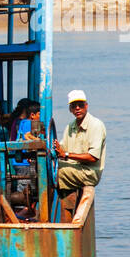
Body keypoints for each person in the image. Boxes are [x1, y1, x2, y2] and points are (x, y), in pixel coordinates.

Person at [52, 90, 106, 223]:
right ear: (70, 109)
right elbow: (63, 149)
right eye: (74, 106)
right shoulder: (70, 126)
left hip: (90, 172)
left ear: (86, 106)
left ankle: (42, 209)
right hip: (75, 168)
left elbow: (93, 157)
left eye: (80, 105)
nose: (77, 108)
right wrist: (56, 148)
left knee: (54, 173)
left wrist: (66, 154)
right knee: (50, 167)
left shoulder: (96, 125)